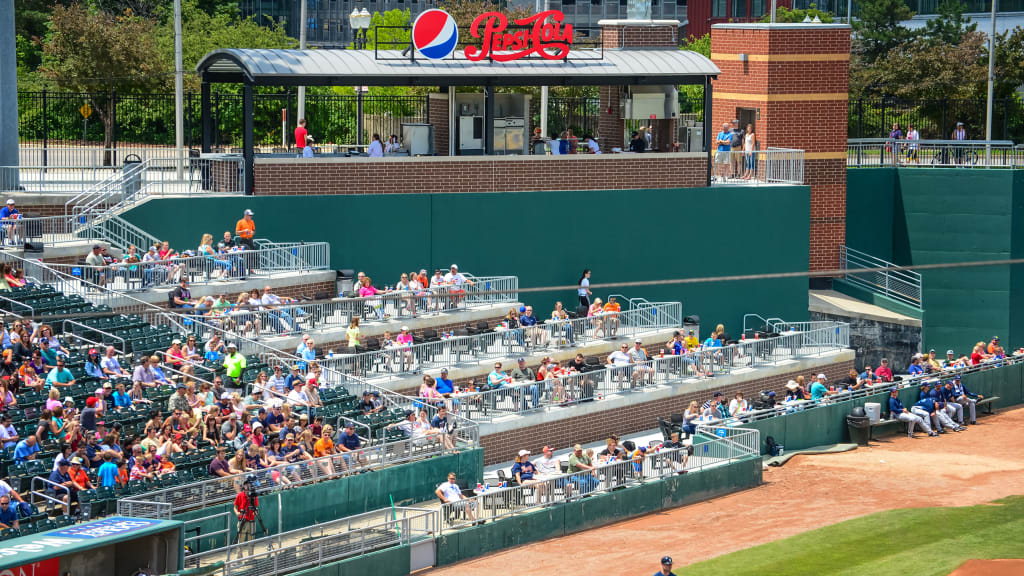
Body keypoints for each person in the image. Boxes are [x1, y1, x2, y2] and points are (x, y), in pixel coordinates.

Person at [234, 479, 259, 557]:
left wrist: (255, 512)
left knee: (251, 540)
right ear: (243, 486)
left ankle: (250, 557)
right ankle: (239, 557)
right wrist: (237, 513)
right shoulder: (240, 495)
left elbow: (256, 507)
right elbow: (235, 507)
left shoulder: (254, 496)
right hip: (242, 520)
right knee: (240, 539)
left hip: (251, 520)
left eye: (248, 484)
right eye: (246, 484)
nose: (247, 486)